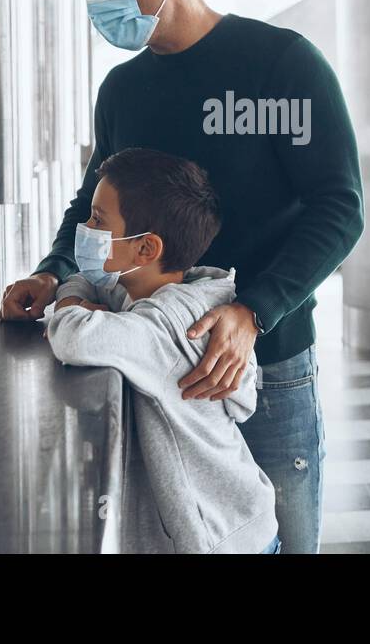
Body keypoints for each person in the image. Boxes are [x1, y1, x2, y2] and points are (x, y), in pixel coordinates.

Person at [0, 0, 364, 553]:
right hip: (157, 366)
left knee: (282, 537)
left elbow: (340, 206)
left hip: (268, 361)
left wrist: (254, 311)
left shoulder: (282, 64)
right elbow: (92, 201)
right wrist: (54, 270)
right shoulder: (122, 89)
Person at [45, 147, 280, 553]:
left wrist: (67, 300)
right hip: (234, 530)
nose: (85, 227)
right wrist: (76, 287)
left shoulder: (170, 328)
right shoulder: (144, 288)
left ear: (146, 249)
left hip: (222, 541)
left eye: (98, 220)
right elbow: (93, 283)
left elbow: (74, 336)